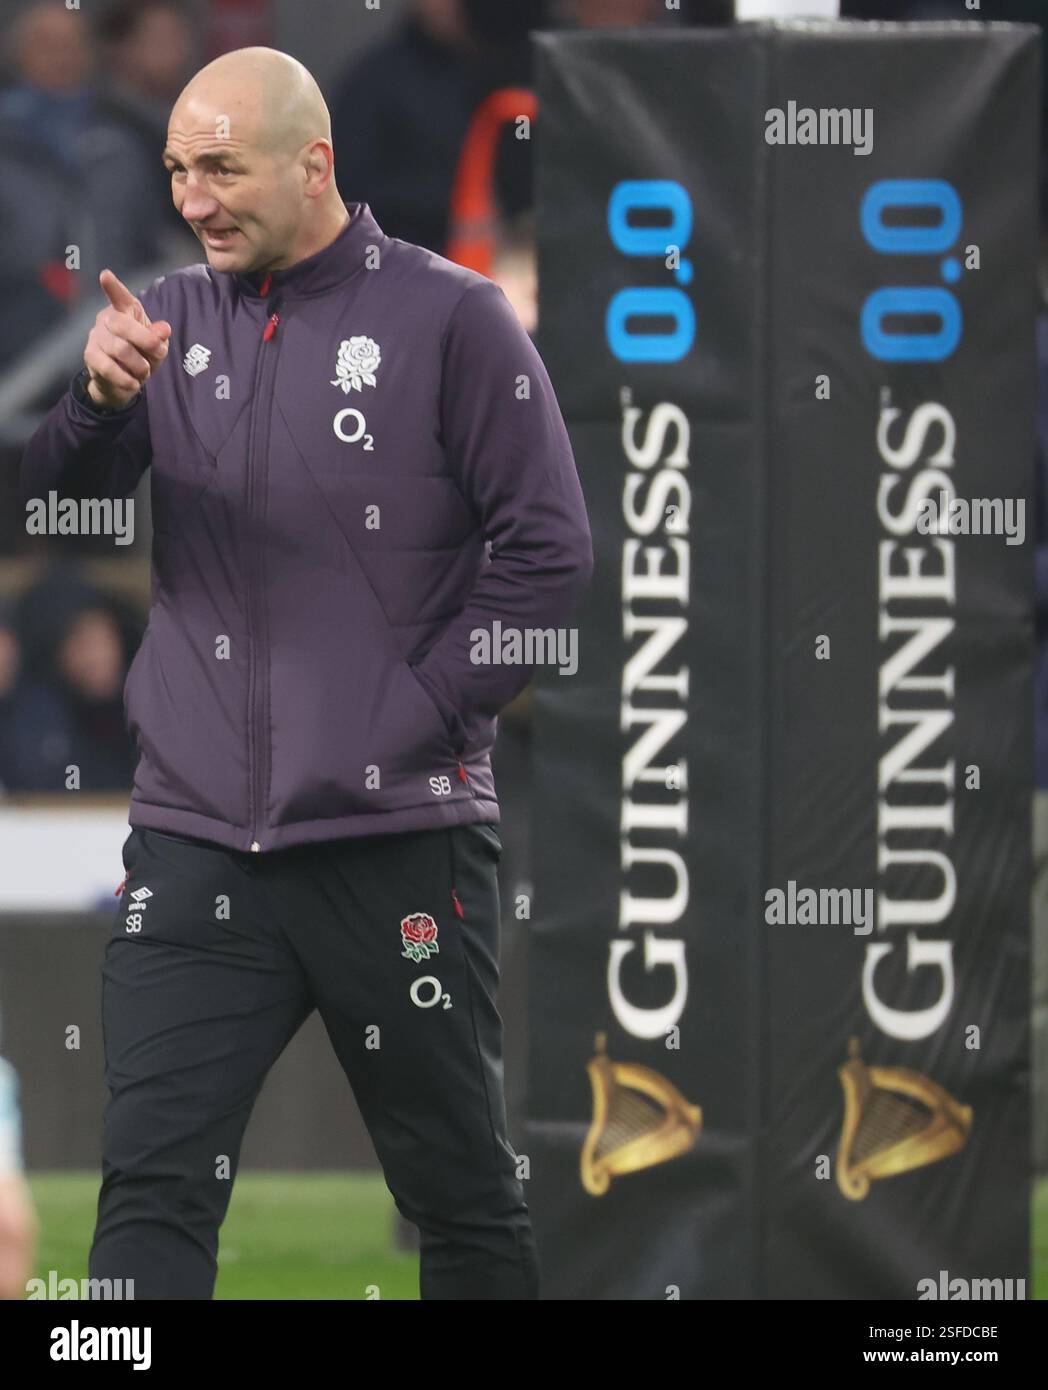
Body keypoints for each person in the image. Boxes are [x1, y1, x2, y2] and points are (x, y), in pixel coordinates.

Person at [20, 45, 592, 1300]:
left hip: (398, 841)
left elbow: (549, 557)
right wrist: (97, 409)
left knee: (462, 1199)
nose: (194, 197)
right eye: (177, 170)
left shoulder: (454, 316)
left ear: (313, 162)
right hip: (194, 843)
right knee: (151, 1188)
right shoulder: (161, 323)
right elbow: (46, 516)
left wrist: (420, 718)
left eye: (221, 167)